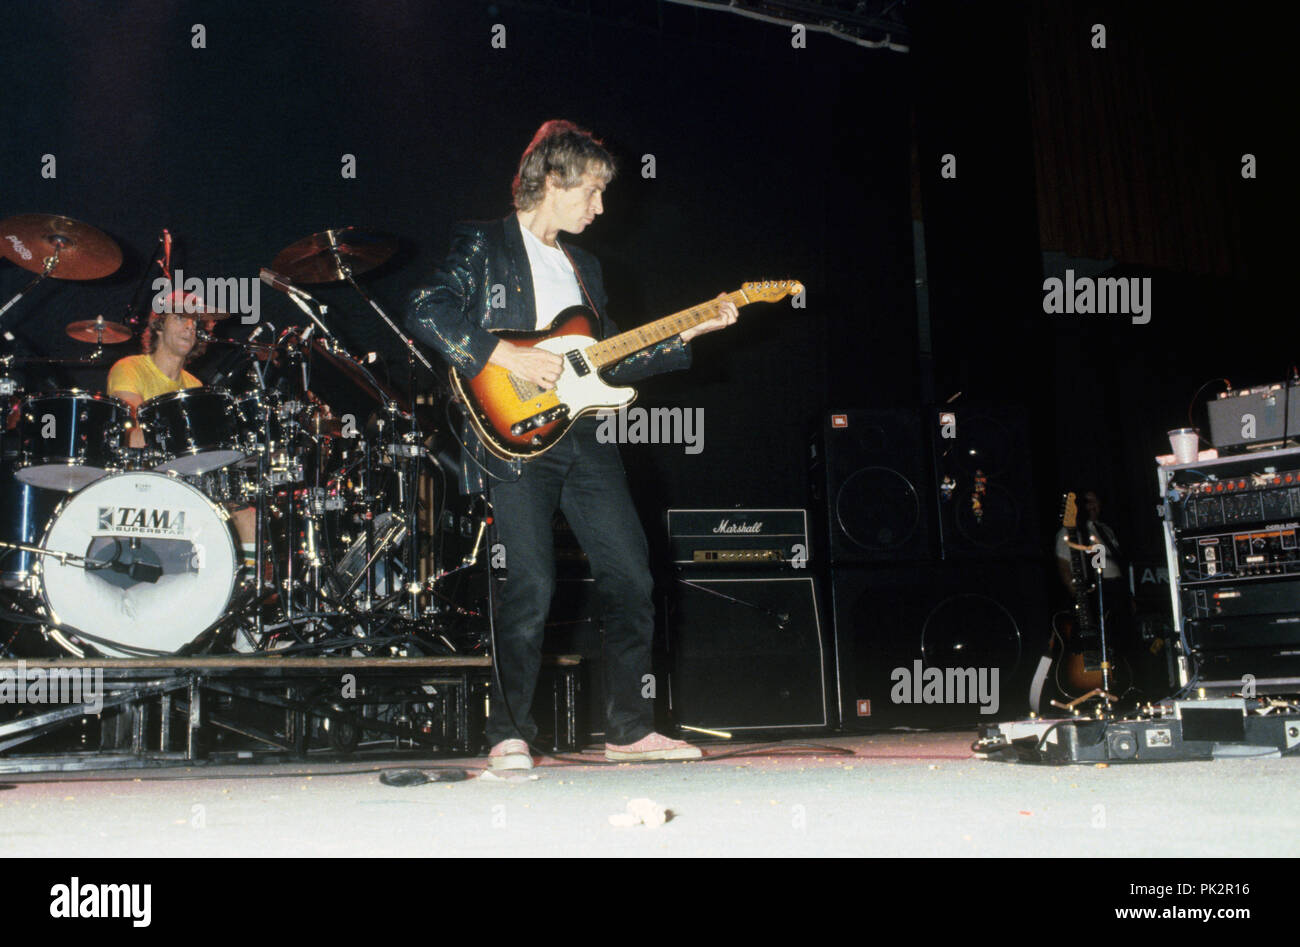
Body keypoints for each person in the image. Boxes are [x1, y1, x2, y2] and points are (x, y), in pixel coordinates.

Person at [407, 120, 737, 769]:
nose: (601, 206)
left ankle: (630, 727)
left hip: (585, 434)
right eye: (591, 191)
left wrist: (687, 334)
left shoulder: (584, 267)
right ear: (553, 180)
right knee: (529, 579)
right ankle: (509, 731)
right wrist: (506, 355)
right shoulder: (485, 244)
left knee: (632, 574)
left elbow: (609, 356)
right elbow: (425, 307)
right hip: (515, 435)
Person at [107, 290, 258, 563]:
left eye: (197, 323)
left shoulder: (195, 387)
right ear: (159, 325)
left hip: (188, 482)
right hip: (143, 480)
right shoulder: (130, 368)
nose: (190, 327)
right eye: (181, 318)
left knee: (247, 514)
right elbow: (132, 434)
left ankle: (246, 590)